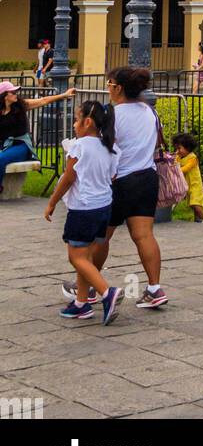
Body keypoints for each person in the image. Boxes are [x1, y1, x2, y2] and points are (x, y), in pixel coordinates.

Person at [87, 67, 167, 310]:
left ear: (118, 88)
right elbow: (157, 141)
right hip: (146, 177)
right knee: (144, 234)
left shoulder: (111, 113)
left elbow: (103, 147)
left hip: (119, 181)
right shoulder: (149, 111)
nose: (107, 88)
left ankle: (90, 285)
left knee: (102, 235)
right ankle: (154, 288)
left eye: (109, 84)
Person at [45, 100, 124, 325]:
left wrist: (52, 202)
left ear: (87, 121)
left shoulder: (79, 147)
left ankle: (107, 292)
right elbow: (113, 177)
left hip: (83, 209)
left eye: (76, 119)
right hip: (103, 206)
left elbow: (68, 178)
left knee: (76, 256)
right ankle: (81, 303)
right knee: (86, 257)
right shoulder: (110, 147)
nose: (74, 125)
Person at [0, 78, 74, 192]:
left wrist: (63, 95)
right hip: (5, 145)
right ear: (5, 95)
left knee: (0, 159)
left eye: (16, 92)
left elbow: (43, 100)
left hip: (21, 146)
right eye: (13, 92)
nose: (16, 94)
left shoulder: (21, 106)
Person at [173, 132, 203, 223]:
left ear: (188, 147)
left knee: (195, 204)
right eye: (176, 148)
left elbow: (186, 169)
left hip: (195, 185)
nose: (177, 151)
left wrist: (176, 169)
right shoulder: (180, 157)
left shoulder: (192, 158)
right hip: (188, 186)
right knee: (192, 205)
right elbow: (175, 163)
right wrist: (176, 157)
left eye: (179, 148)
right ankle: (198, 220)